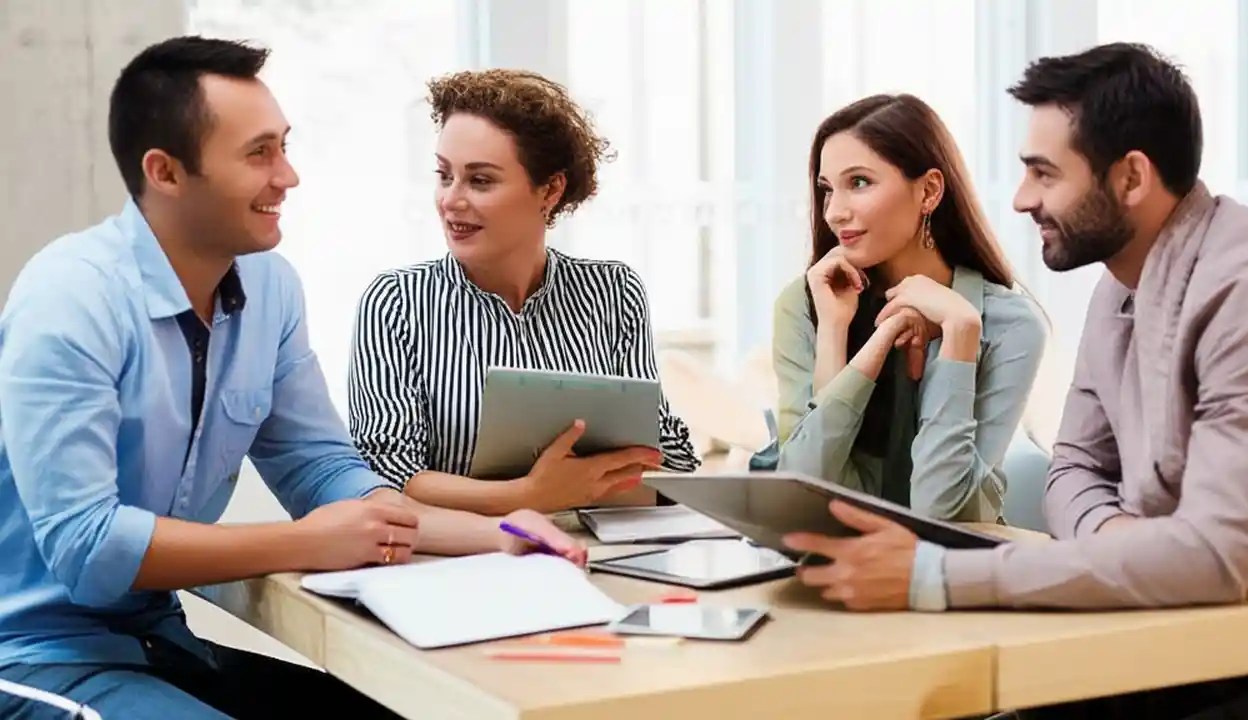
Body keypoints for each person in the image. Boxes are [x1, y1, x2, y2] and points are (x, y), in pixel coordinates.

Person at [0, 37, 580, 720]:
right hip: (35, 655)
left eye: (284, 146)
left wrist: (496, 532)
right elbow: (88, 549)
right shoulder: (70, 297)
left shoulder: (270, 289)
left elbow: (324, 473)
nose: (288, 176)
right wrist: (308, 541)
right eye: (258, 154)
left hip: (156, 640)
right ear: (166, 172)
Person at [782, 43, 1248, 718]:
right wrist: (1117, 536)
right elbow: (1071, 468)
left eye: (1045, 175)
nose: (1020, 200)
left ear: (1131, 177)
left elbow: (1213, 557)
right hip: (1168, 622)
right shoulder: (1119, 289)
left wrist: (932, 573)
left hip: (1241, 649)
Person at [348, 68, 700, 516]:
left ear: (550, 190)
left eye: (480, 180)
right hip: (455, 560)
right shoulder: (396, 302)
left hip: (597, 552)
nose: (450, 200)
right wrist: (527, 498)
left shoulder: (614, 291)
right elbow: (388, 471)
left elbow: (669, 458)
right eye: (444, 175)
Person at [770, 93, 1047, 522]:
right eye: (827, 189)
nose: (834, 213)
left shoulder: (1009, 325)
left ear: (930, 190)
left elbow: (940, 510)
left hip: (955, 576)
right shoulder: (806, 304)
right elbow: (802, 490)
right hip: (828, 568)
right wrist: (842, 334)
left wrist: (958, 333)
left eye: (859, 182)